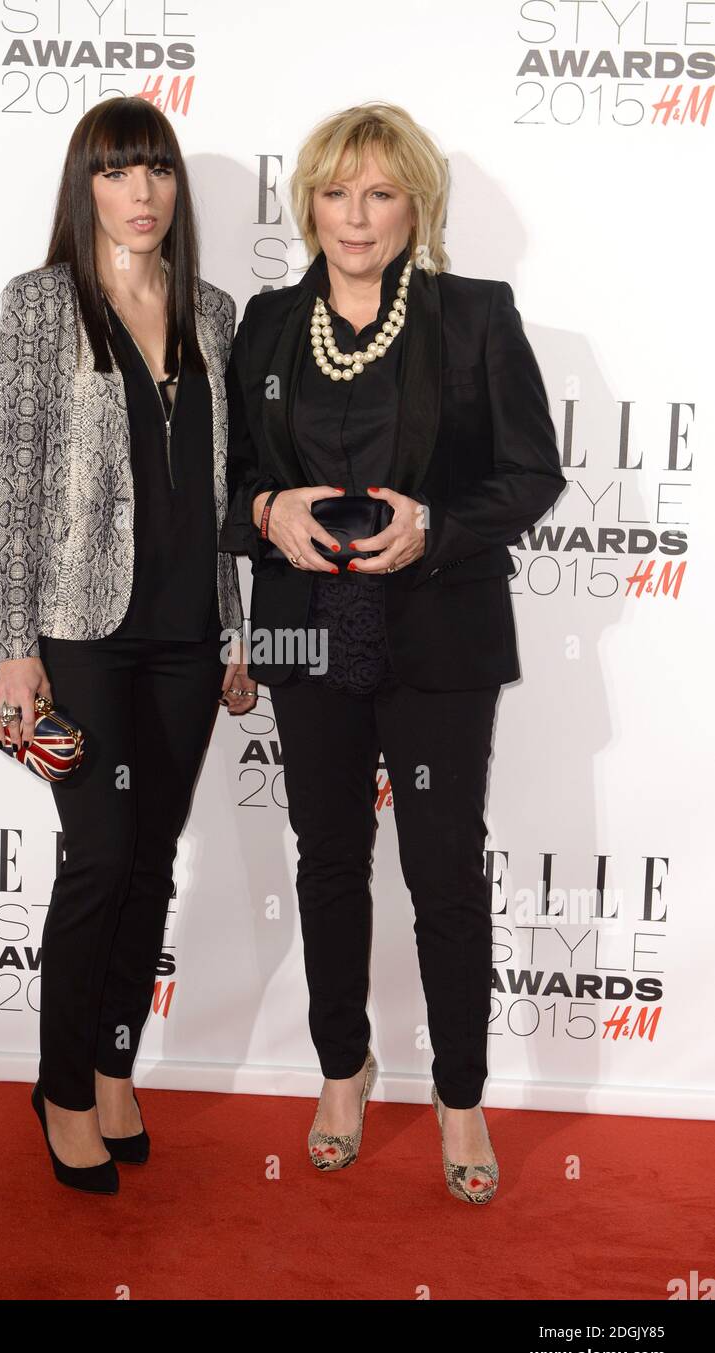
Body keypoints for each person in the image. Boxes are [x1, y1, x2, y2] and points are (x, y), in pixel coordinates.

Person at [219, 101, 566, 1203]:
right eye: (333, 191)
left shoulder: (471, 314)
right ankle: (341, 1068)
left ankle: (457, 1093)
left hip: (435, 629)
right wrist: (266, 505)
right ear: (306, 200)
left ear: (416, 204)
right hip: (297, 625)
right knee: (326, 860)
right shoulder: (267, 323)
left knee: (440, 868)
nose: (353, 217)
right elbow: (218, 488)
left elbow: (530, 472)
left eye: (377, 193)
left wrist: (440, 527)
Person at [0, 97, 255, 1195]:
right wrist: (13, 644)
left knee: (149, 859)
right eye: (115, 171)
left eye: (155, 172)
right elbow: (11, 485)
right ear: (83, 185)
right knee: (98, 855)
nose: (138, 194)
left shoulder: (215, 312)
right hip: (83, 628)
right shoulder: (41, 307)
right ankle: (57, 1085)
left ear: (175, 188)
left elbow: (229, 490)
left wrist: (239, 631)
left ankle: (112, 1060)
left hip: (190, 633)